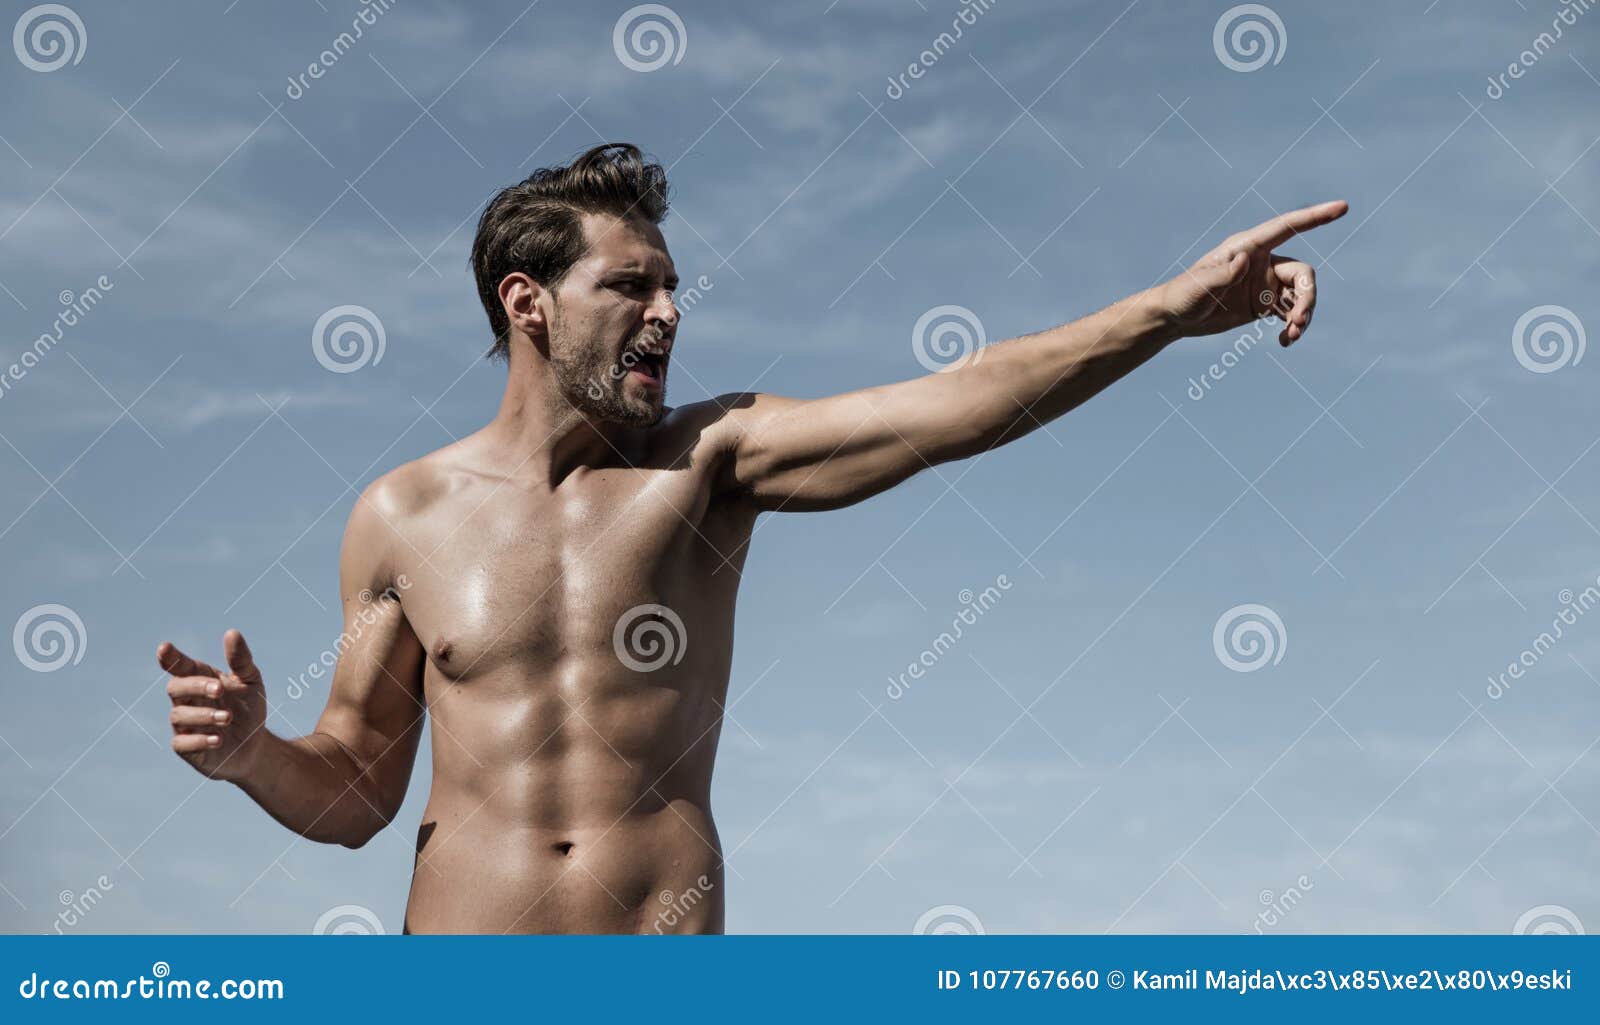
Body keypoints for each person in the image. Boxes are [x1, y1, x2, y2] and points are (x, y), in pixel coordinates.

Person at [158, 143, 1346, 933]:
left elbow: (964, 399)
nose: (670, 310)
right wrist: (256, 751)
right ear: (529, 304)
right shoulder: (400, 516)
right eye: (632, 285)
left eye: (674, 286)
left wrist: (1165, 310)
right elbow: (360, 788)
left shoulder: (712, 461)